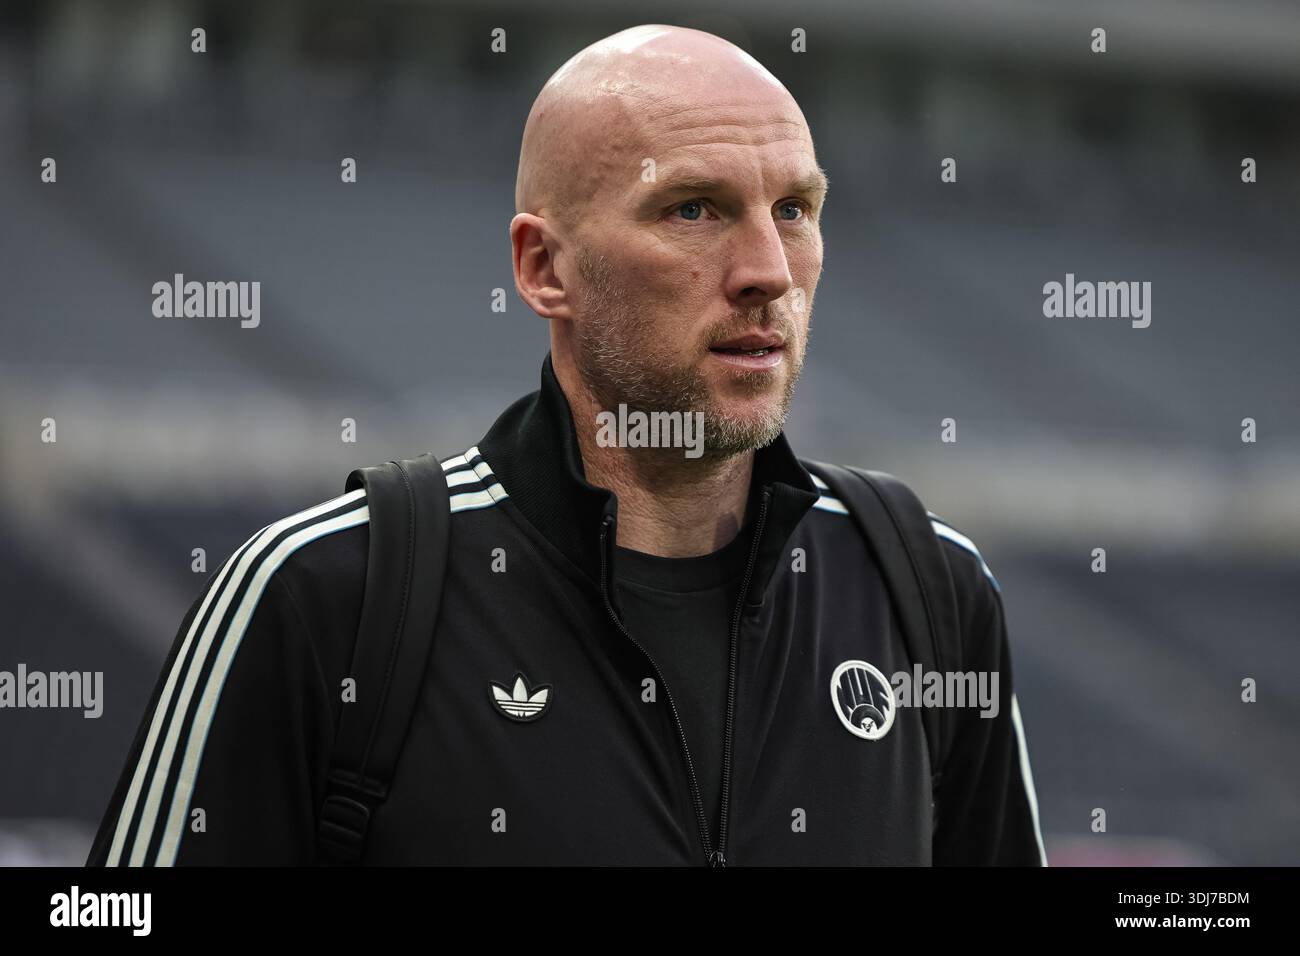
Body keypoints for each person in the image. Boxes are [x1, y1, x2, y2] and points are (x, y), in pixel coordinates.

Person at [87, 24, 1045, 866]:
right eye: (693, 209)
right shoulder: (326, 593)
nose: (767, 273)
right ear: (546, 268)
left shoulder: (927, 589)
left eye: (794, 209)